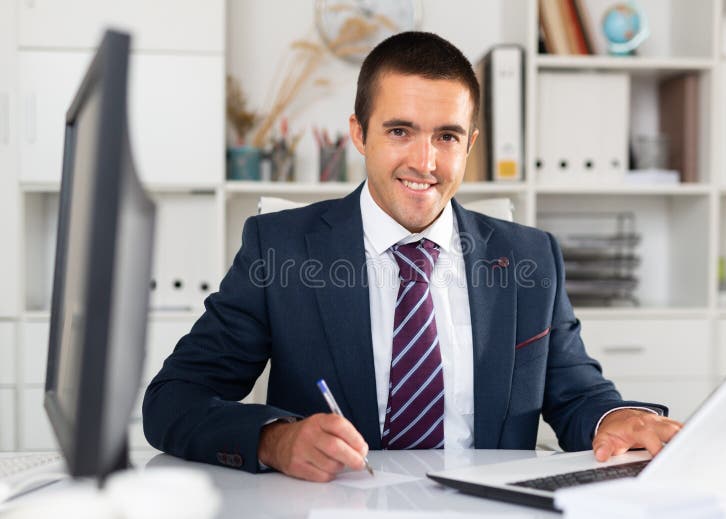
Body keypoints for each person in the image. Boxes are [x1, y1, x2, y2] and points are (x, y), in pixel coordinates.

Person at [143, 31, 682, 482]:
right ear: (359, 133)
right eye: (400, 131)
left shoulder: (529, 257)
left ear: (469, 145)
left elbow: (576, 395)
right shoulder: (280, 248)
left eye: (446, 137)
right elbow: (173, 400)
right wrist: (275, 441)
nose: (424, 161)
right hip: (336, 506)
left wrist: (613, 417)